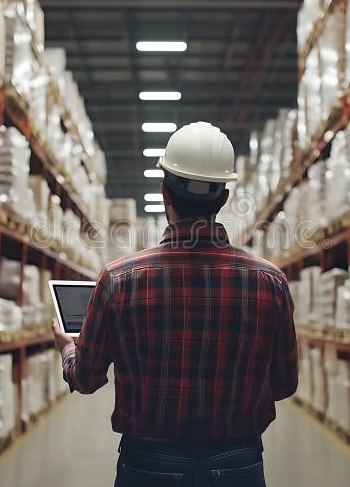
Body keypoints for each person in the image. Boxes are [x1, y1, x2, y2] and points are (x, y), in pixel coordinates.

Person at [52, 122, 298, 487]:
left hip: (147, 465)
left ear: (164, 192)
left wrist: (67, 350)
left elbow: (86, 379)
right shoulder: (270, 282)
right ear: (224, 198)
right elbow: (284, 383)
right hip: (238, 463)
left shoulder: (118, 279)